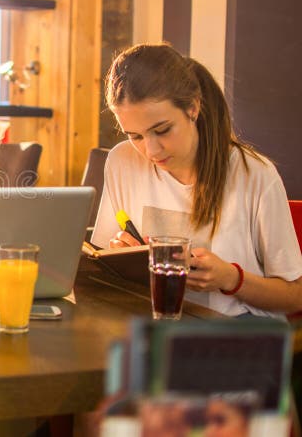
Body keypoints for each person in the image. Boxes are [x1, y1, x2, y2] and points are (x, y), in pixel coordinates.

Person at [91, 43, 302, 317]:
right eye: (135, 136)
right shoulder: (123, 162)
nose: (151, 151)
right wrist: (119, 255)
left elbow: (296, 297)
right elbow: (100, 270)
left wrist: (231, 279)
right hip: (156, 326)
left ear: (192, 107)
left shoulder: (254, 175)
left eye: (162, 130)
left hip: (236, 336)